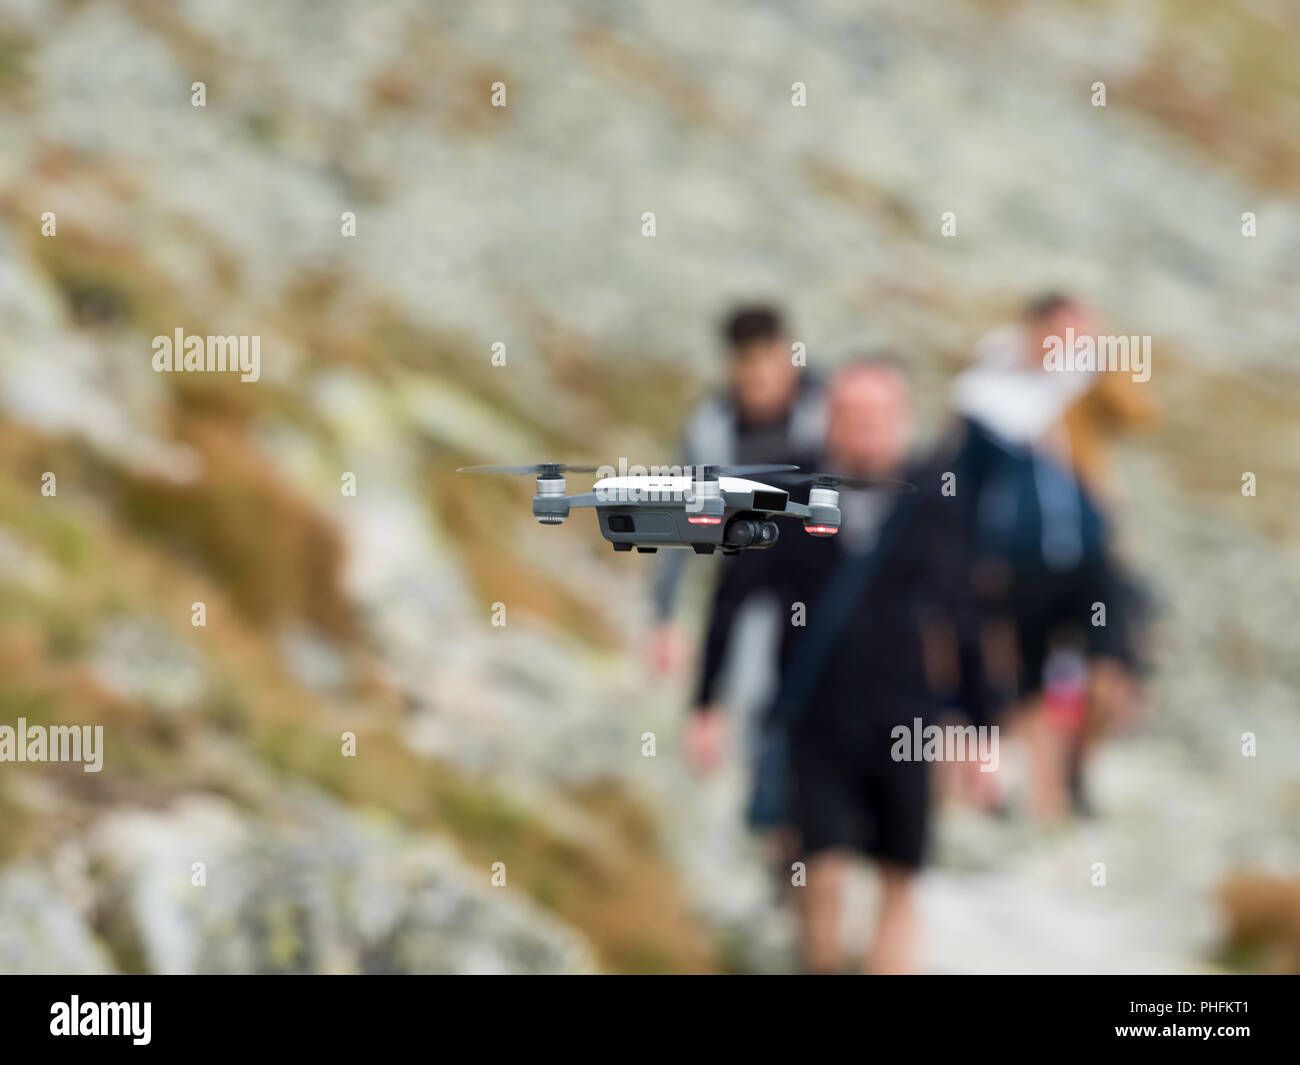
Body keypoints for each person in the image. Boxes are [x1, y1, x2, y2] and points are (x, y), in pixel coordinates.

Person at [690, 358, 994, 974]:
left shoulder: (935, 497)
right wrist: (706, 705)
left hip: (906, 721)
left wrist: (979, 726)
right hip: (812, 719)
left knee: (900, 878)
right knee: (818, 870)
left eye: (879, 417)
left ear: (903, 421)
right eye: (853, 417)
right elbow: (729, 599)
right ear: (830, 420)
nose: (866, 431)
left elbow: (964, 615)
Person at [946, 292, 1153, 817]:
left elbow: (1139, 413)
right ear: (1034, 331)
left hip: (1090, 556)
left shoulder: (1083, 388)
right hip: (1022, 563)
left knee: (1112, 671)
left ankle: (1079, 765)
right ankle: (1046, 795)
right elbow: (964, 484)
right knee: (1029, 682)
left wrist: (1102, 353)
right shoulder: (987, 397)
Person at [649, 305, 825, 674]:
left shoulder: (828, 414)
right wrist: (665, 621)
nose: (758, 374)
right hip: (743, 601)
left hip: (826, 596)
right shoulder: (708, 429)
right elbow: (675, 519)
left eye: (768, 359)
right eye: (747, 361)